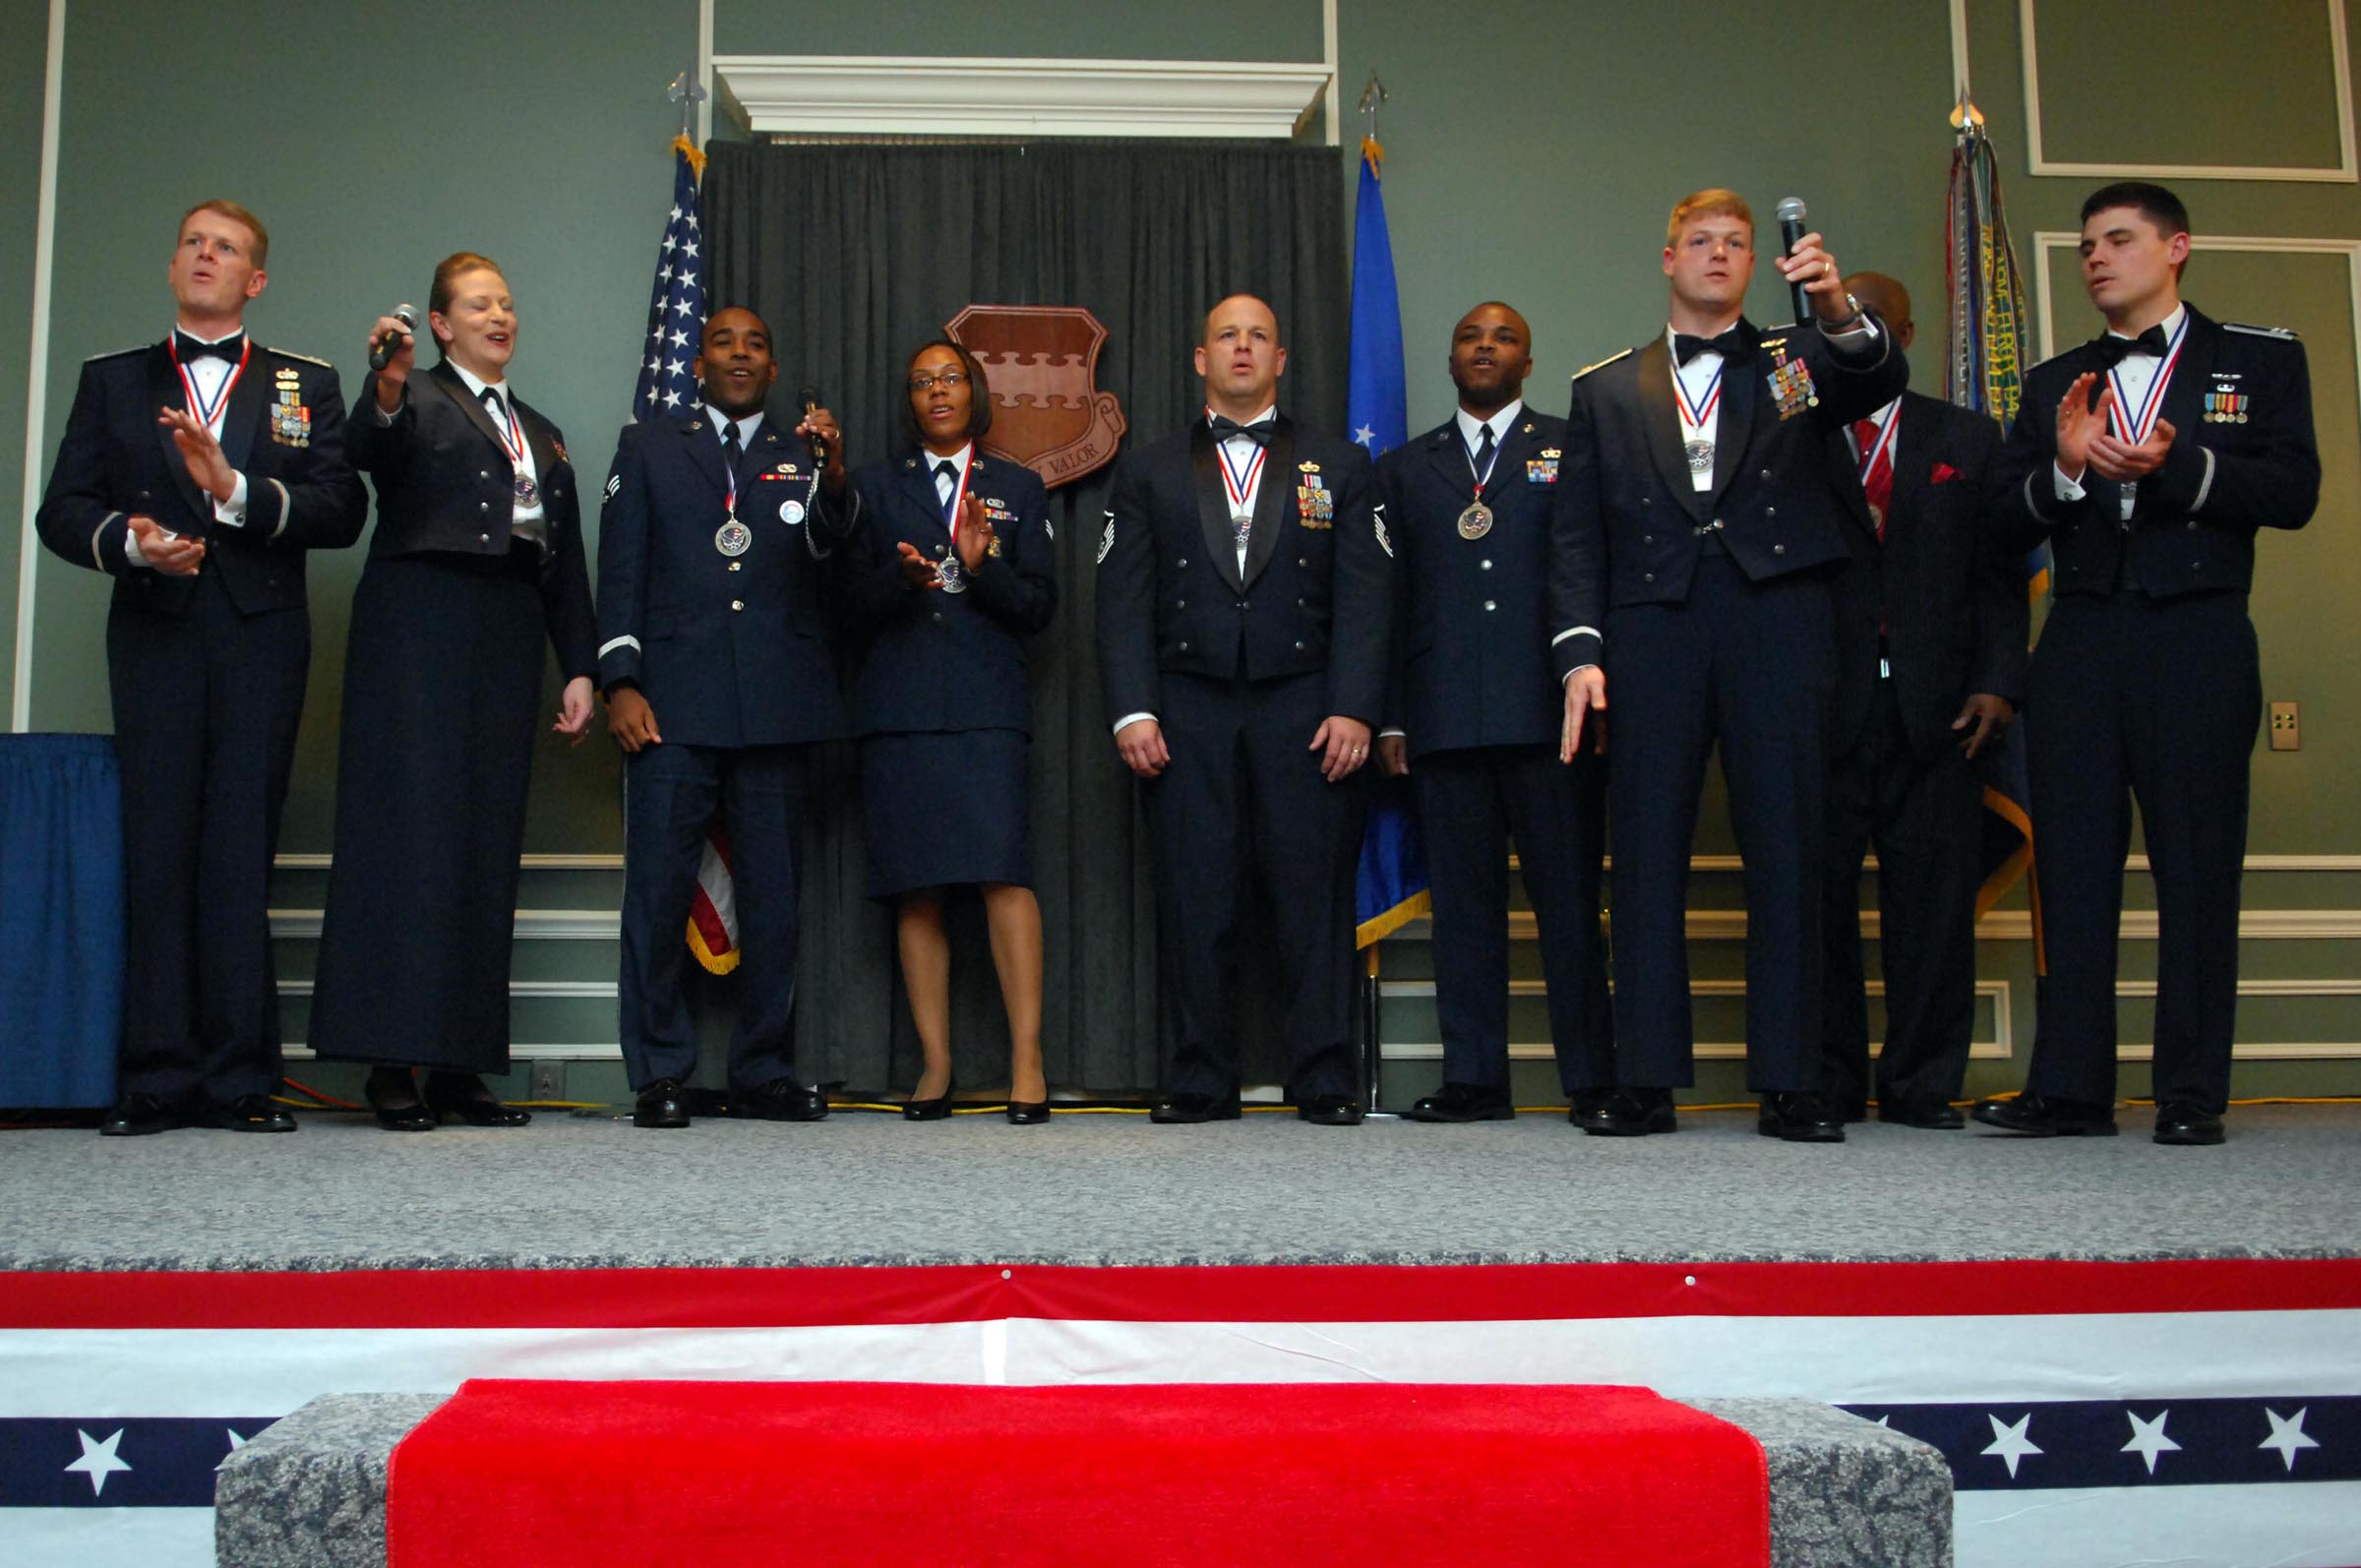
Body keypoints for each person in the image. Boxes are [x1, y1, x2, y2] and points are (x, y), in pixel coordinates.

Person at [1548, 189, 1906, 1142]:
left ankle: (1792, 1080)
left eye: (1736, 244)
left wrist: (1833, 308)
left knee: (1788, 846)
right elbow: (1578, 541)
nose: (1718, 254)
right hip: (1650, 634)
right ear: (1667, 259)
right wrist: (1581, 656)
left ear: (1758, 264)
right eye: (1700, 241)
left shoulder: (1799, 363)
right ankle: (1646, 1077)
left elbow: (1875, 375)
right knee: (1647, 852)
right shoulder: (1605, 389)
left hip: (1778, 625)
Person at [1973, 183, 2319, 1146]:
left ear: (2177, 248)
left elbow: (2296, 489)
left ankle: (2190, 1092)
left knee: (2197, 869)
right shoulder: (2050, 385)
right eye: (2087, 245)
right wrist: (2067, 469)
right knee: (2074, 871)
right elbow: (1999, 522)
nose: (2096, 258)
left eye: (2118, 240)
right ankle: (2073, 1089)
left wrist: (2182, 467)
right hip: (2080, 642)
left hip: (2198, 638)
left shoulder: (2259, 359)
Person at [34, 199, 366, 1136]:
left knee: (237, 854)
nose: (204, 255)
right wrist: (131, 546)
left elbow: (341, 510)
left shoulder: (308, 381)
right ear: (174, 265)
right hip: (155, 633)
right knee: (160, 850)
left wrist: (235, 492)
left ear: (255, 280)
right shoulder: (113, 379)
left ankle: (238, 1078)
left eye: (225, 248)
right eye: (192, 242)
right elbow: (61, 511)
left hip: (262, 635)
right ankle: (154, 1076)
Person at [308, 253, 599, 1130]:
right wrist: (387, 385)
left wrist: (580, 664)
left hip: (506, 635)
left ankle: (460, 1067)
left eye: (507, 303)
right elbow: (367, 452)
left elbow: (566, 563)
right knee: (406, 836)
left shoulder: (542, 431)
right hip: (417, 627)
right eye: (479, 305)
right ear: (440, 324)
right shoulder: (414, 394)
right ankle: (391, 1062)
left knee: (482, 839)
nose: (499, 316)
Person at [1095, 293, 1391, 1125]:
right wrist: (1131, 712)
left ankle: (1325, 1077)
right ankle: (1199, 1077)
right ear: (1200, 359)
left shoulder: (1339, 465)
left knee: (1312, 900)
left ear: (1281, 360)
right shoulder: (1149, 468)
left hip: (1307, 712)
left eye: (1259, 335)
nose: (1242, 347)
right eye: (1227, 335)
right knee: (1196, 900)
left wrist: (1357, 708)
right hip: (1185, 711)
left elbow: (1368, 598)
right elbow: (1121, 600)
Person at [596, 306, 853, 1130]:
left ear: (773, 370)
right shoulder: (649, 444)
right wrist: (620, 681)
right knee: (660, 894)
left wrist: (836, 477)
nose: (740, 354)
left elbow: (828, 551)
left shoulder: (800, 452)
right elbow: (622, 566)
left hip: (776, 706)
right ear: (697, 362)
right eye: (723, 342)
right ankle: (659, 1073)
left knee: (774, 897)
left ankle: (762, 1070)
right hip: (671, 703)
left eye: (757, 344)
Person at [1375, 302, 1612, 1124]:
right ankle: (1476, 1080)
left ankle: (1593, 1080)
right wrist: (1395, 717)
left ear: (1529, 358)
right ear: (1450, 361)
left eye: (1504, 335)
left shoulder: (1572, 447)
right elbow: (1392, 604)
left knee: (1569, 906)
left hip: (1553, 717)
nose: (1485, 346)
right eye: (1471, 337)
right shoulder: (1409, 468)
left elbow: (1594, 571)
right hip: (1443, 719)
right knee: (1465, 915)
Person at [1817, 271, 2027, 1129]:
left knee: (1934, 907)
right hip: (1820, 708)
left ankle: (1919, 1084)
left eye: (1875, 319)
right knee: (1817, 905)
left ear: (1905, 330)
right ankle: (1826, 1081)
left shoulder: (1968, 437)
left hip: (1941, 712)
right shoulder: (1796, 433)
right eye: (1845, 318)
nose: (1862, 330)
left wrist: (1997, 681)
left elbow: (2002, 577)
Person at [844, 339, 1057, 1124]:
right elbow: (843, 608)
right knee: (918, 888)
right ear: (910, 400)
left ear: (974, 392)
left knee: (1004, 877)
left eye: (951, 379)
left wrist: (984, 566)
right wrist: (897, 584)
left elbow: (1040, 608)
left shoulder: (1018, 488)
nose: (938, 392)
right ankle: (936, 1066)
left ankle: (1027, 1064)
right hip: (898, 709)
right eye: (922, 382)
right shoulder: (871, 487)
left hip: (985, 708)